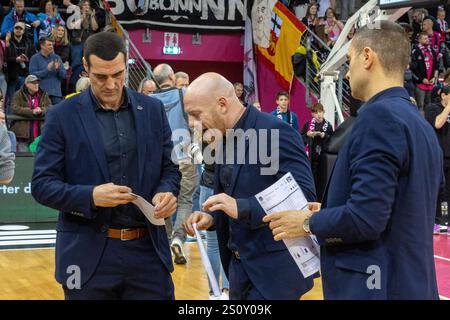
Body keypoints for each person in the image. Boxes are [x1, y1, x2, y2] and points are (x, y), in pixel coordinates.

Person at [264, 21, 443, 300]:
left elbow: (366, 218)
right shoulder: (419, 124)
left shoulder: (378, 117)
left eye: (349, 61)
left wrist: (309, 222)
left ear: (367, 57)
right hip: (412, 283)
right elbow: (397, 209)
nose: (346, 74)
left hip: (377, 287)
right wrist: (330, 209)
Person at [31, 32, 181, 300]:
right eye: (101, 77)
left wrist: (166, 193)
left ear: (126, 65)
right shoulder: (61, 116)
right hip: (87, 255)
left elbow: (170, 170)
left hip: (147, 252)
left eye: (118, 74)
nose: (111, 84)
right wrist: (90, 196)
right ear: (86, 68)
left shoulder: (153, 110)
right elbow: (42, 185)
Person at [184, 72, 317, 300]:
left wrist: (243, 207)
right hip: (239, 273)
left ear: (222, 104)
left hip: (274, 276)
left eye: (196, 115)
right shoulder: (223, 138)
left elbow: (303, 198)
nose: (191, 124)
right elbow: (234, 197)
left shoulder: (275, 132)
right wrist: (213, 218)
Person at [152, 63, 198, 265]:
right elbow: (195, 122)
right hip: (185, 155)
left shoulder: (149, 101)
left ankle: (166, 242)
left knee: (163, 200)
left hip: (160, 160)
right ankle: (178, 238)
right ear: (172, 76)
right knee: (185, 200)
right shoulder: (185, 94)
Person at [425, 85, 450, 235]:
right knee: (440, 191)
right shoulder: (432, 108)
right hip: (438, 156)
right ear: (443, 95)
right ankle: (437, 220)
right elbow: (438, 123)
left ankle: (446, 221)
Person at [10, 74, 51, 152]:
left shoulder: (43, 94)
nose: (36, 85)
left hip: (39, 134)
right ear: (27, 84)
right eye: (33, 83)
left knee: (38, 159)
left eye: (37, 83)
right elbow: (14, 108)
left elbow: (50, 107)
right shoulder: (18, 94)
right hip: (23, 134)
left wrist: (41, 110)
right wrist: (31, 111)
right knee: (24, 158)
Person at [5, 21, 36, 113]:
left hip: (24, 75)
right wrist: (15, 59)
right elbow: (4, 58)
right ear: (13, 29)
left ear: (24, 31)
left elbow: (33, 58)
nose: (18, 30)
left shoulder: (28, 42)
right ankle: (9, 123)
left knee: (24, 101)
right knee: (11, 101)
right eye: (16, 28)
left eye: (20, 28)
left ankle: (19, 123)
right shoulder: (8, 41)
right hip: (11, 76)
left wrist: (27, 59)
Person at [301, 102, 333, 188]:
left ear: (323, 112)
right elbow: (300, 139)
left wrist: (324, 136)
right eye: (315, 113)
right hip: (310, 157)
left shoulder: (328, 126)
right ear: (312, 114)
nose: (318, 115)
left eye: (320, 112)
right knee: (311, 180)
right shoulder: (308, 124)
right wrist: (307, 135)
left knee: (322, 181)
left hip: (322, 158)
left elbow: (333, 141)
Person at [29, 37, 66, 105]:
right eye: (49, 45)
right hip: (41, 94)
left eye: (52, 45)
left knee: (57, 114)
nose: (51, 47)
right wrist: (47, 70)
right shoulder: (34, 58)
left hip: (56, 94)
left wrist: (58, 69)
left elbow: (64, 75)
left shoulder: (56, 58)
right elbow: (32, 75)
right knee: (42, 115)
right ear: (42, 46)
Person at [411, 32, 439, 113]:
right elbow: (413, 69)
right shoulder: (415, 51)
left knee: (430, 105)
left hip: (431, 83)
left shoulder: (431, 50)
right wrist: (422, 79)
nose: (428, 40)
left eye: (428, 38)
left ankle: (430, 124)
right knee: (420, 106)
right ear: (419, 40)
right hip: (420, 84)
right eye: (425, 38)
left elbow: (436, 65)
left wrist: (435, 77)